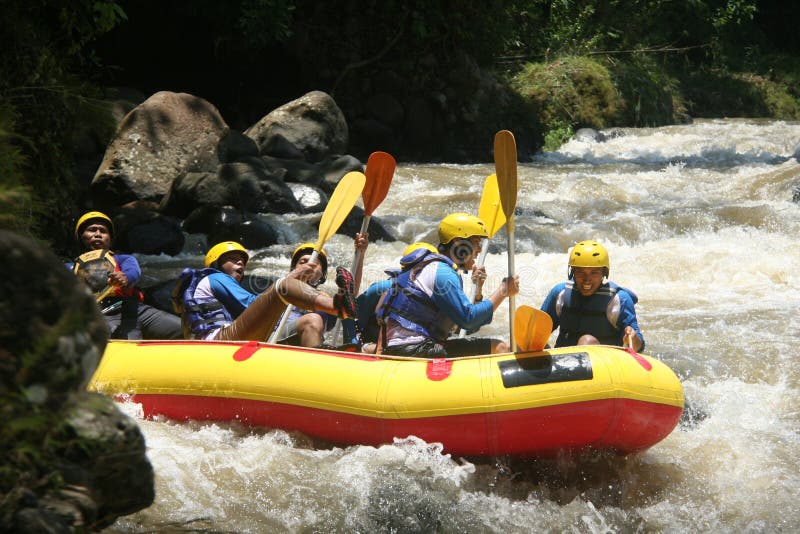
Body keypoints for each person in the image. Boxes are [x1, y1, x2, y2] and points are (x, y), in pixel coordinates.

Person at [375, 213, 520, 357]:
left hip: (403, 348)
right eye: (476, 242)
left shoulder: (429, 267)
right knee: (500, 347)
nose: (480, 249)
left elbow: (464, 328)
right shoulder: (442, 273)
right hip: (415, 349)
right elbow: (468, 319)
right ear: (458, 243)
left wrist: (478, 293)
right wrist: (503, 291)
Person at [173, 241, 356, 342]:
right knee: (283, 287)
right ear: (216, 263)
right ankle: (338, 306)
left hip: (230, 338)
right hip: (217, 341)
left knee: (312, 319)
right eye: (233, 259)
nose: (240, 263)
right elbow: (253, 304)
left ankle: (340, 308)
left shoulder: (226, 291)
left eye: (242, 261)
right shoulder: (215, 278)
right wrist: (291, 278)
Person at [68, 211, 182, 340]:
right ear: (81, 237)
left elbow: (134, 272)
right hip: (104, 315)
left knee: (185, 328)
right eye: (92, 230)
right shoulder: (70, 268)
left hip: (137, 310)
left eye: (103, 231)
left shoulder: (122, 259)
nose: (98, 234)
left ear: (110, 239)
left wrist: (125, 278)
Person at [540, 240, 645, 351]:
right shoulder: (560, 294)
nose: (587, 279)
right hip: (564, 359)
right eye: (580, 272)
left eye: (594, 273)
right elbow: (537, 331)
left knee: (586, 341)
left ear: (604, 273)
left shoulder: (618, 300)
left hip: (605, 360)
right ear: (572, 273)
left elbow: (639, 346)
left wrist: (633, 339)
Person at [273, 234, 367, 347]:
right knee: (312, 320)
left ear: (322, 274)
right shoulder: (277, 289)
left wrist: (360, 254)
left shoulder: (324, 297)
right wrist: (292, 279)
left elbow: (352, 296)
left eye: (316, 264)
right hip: (275, 339)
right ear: (293, 268)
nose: (309, 265)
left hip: (310, 338)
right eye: (303, 262)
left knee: (342, 305)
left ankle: (340, 303)